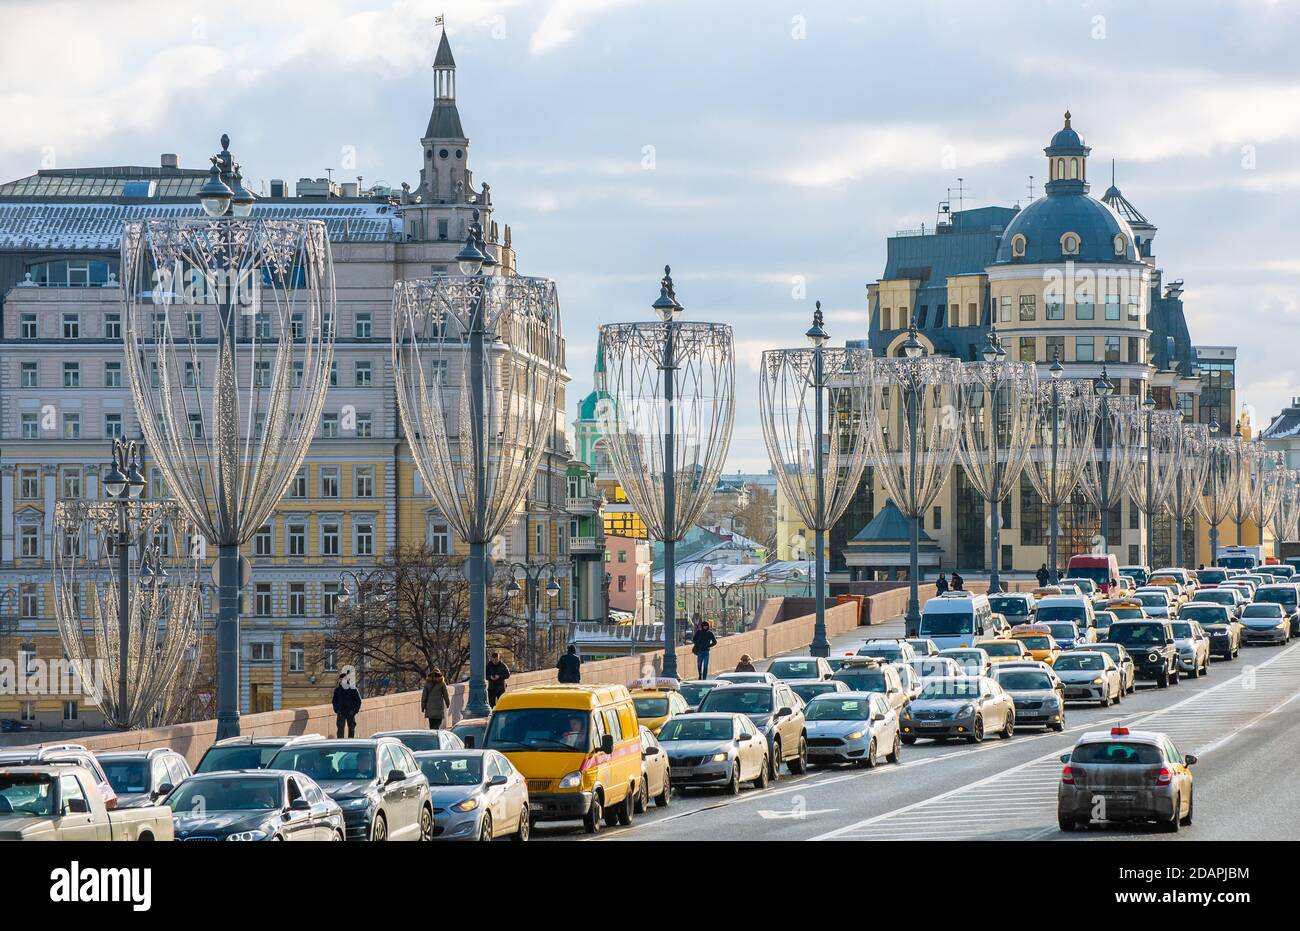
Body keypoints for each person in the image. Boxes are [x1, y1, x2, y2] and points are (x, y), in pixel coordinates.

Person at [331, 672, 361, 738]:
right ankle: (340, 744)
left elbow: (358, 701)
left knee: (351, 729)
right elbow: (334, 701)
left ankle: (350, 744)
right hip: (341, 713)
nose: (341, 681)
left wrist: (354, 711)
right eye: (340, 680)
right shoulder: (337, 690)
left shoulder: (353, 689)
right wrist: (337, 710)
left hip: (351, 713)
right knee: (340, 730)